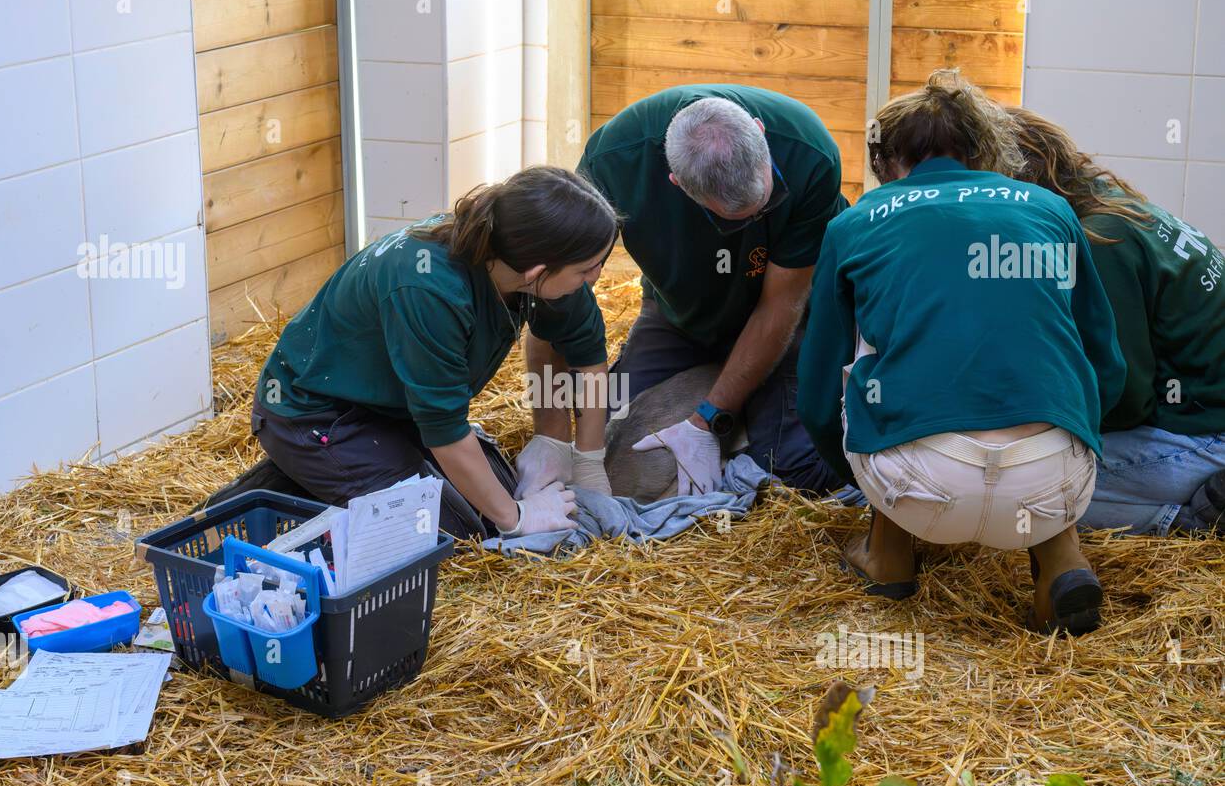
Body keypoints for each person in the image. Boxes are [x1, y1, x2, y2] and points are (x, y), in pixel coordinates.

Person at [797, 71, 1126, 635]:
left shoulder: (853, 224)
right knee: (1043, 371)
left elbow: (818, 391)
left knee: (874, 361)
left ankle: (888, 554)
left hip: (921, 485)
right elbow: (1105, 362)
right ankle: (1061, 563)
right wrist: (1081, 433)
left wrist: (853, 468)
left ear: (886, 157)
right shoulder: (1048, 209)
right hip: (1054, 484)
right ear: (983, 148)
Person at [251, 166, 619, 539]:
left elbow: (586, 353)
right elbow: (444, 430)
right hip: (318, 413)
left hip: (396, 410)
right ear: (537, 271)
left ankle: (351, 470)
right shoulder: (431, 289)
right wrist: (517, 518)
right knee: (455, 534)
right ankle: (292, 481)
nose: (597, 276)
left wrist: (584, 456)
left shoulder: (530, 262)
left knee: (495, 500)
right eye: (587, 269)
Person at [519, 84, 849, 499]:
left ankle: (752, 418)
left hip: (791, 318)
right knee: (617, 442)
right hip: (680, 314)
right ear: (677, 183)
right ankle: (739, 409)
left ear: (760, 132)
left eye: (767, 202)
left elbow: (780, 305)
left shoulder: (809, 151)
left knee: (795, 468)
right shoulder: (612, 166)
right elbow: (555, 304)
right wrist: (551, 435)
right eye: (734, 219)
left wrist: (708, 420)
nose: (758, 218)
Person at [1009, 106, 1225, 536]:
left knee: (1016, 490)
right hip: (1205, 415)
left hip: (1205, 435)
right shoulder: (1114, 203)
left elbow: (1127, 401)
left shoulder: (1099, 240)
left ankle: (1181, 524)